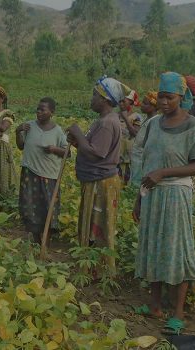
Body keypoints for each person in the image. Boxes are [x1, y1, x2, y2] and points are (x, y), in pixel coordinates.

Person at [133, 72, 195, 335]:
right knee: (153, 246)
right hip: (152, 193)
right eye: (161, 96)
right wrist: (138, 199)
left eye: (170, 97)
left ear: (182, 97)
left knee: (176, 250)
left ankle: (178, 312)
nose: (164, 102)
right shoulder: (153, 124)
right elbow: (146, 163)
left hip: (176, 195)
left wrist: (164, 173)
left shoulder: (192, 126)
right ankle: (154, 305)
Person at [66, 76, 123, 276]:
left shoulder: (107, 123)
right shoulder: (102, 121)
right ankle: (91, 269)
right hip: (95, 180)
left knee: (99, 227)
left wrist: (78, 133)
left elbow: (96, 152)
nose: (91, 99)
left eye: (94, 95)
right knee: (92, 224)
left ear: (105, 99)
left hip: (102, 183)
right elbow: (91, 149)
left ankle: (101, 272)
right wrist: (76, 141)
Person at [15, 97, 68, 244]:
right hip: (29, 172)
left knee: (48, 208)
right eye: (37, 109)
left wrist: (53, 149)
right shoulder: (29, 126)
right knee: (30, 207)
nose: (38, 112)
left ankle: (46, 240)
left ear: (52, 112)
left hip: (49, 175)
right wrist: (17, 131)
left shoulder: (57, 131)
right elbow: (21, 146)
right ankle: (36, 239)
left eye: (42, 110)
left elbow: (67, 152)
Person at [129, 91, 159, 187]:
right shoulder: (146, 119)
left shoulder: (154, 122)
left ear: (154, 107)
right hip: (137, 160)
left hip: (143, 162)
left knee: (139, 186)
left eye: (145, 103)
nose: (142, 105)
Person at [118, 89, 143, 184]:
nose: (121, 104)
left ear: (131, 102)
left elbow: (135, 133)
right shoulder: (115, 116)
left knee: (127, 181)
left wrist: (125, 118)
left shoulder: (136, 117)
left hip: (129, 155)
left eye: (123, 101)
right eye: (119, 101)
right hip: (117, 155)